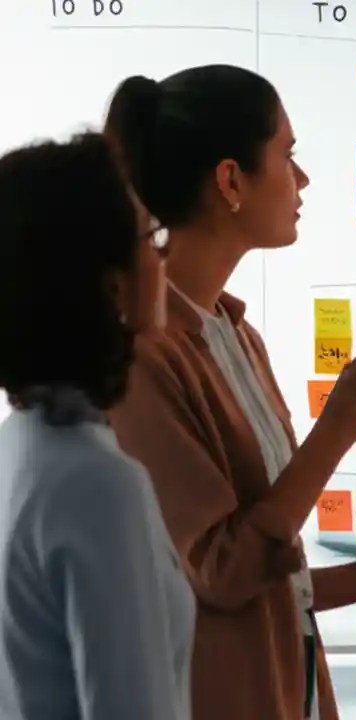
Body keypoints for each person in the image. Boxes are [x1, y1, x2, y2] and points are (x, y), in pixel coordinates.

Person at [103, 65, 356, 720]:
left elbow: (264, 571)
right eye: (286, 155)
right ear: (231, 181)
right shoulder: (145, 358)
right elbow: (221, 571)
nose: (303, 179)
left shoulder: (235, 334)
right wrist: (339, 428)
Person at [0, 133, 193, 718]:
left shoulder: (19, 446)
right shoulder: (98, 483)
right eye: (149, 237)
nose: (163, 258)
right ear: (112, 285)